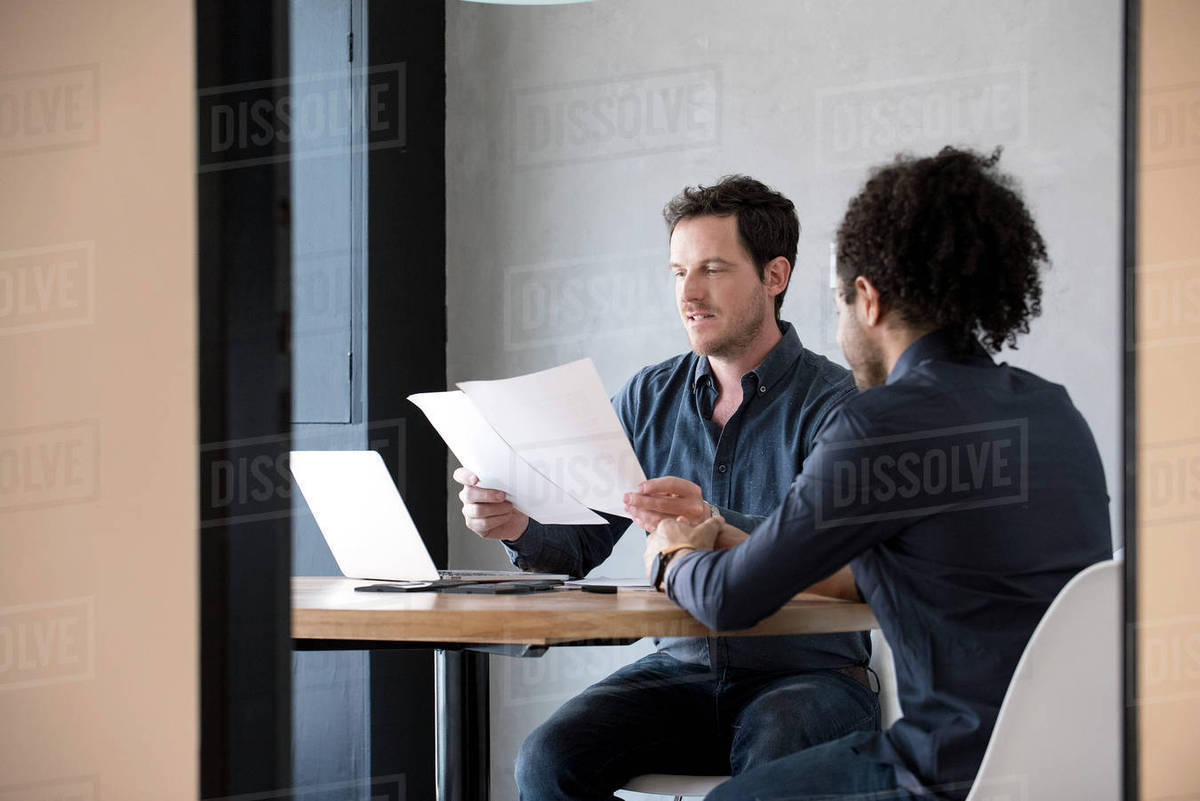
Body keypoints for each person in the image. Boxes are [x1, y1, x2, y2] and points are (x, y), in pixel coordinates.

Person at [643, 147, 1113, 801]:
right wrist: (735, 537)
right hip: (1080, 766)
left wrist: (672, 555)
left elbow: (729, 599)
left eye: (838, 302)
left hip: (944, 775)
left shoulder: (880, 425)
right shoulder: (1054, 410)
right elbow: (950, 574)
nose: (838, 327)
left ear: (868, 299)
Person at [454, 175, 879, 800]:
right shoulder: (649, 396)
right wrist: (515, 523)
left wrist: (714, 520)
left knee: (774, 757)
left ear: (774, 277)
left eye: (712, 269)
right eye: (678, 271)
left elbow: (842, 554)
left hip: (809, 676)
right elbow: (579, 545)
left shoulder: (838, 404)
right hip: (680, 671)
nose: (689, 293)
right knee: (547, 761)